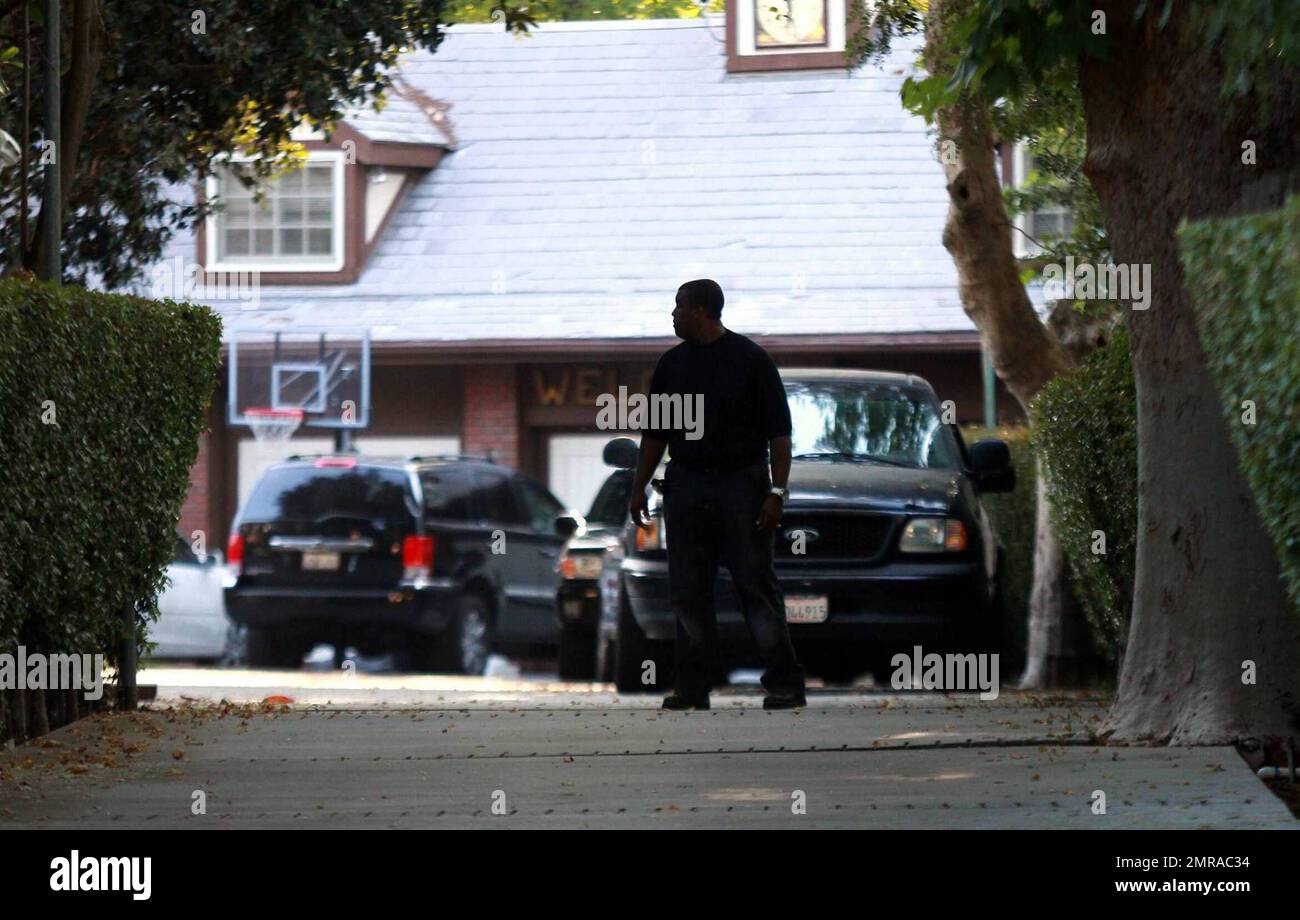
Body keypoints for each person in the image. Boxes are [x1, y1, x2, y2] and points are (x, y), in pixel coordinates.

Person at [628, 279, 807, 711]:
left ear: (701, 310)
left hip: (742, 486)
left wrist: (776, 493)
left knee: (755, 584)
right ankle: (692, 686)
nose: (672, 314)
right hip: (687, 485)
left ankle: (785, 684)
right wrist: (638, 489)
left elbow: (779, 437)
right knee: (688, 589)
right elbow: (655, 435)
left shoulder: (752, 361)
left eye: (679, 306)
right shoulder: (670, 366)